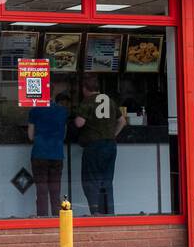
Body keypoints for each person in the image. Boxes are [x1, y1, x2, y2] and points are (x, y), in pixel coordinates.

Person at [73, 76, 125, 215]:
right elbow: (122, 121)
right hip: (110, 145)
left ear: (84, 88)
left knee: (92, 182)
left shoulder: (88, 101)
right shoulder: (109, 100)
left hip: (94, 146)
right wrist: (113, 134)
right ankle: (109, 213)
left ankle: (96, 213)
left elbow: (79, 123)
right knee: (107, 182)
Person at [27, 91, 70, 216]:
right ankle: (57, 218)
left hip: (39, 153)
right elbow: (64, 134)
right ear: (52, 94)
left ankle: (43, 218)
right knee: (55, 190)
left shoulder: (35, 110)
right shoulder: (62, 111)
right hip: (56, 154)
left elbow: (30, 136)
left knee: (41, 190)